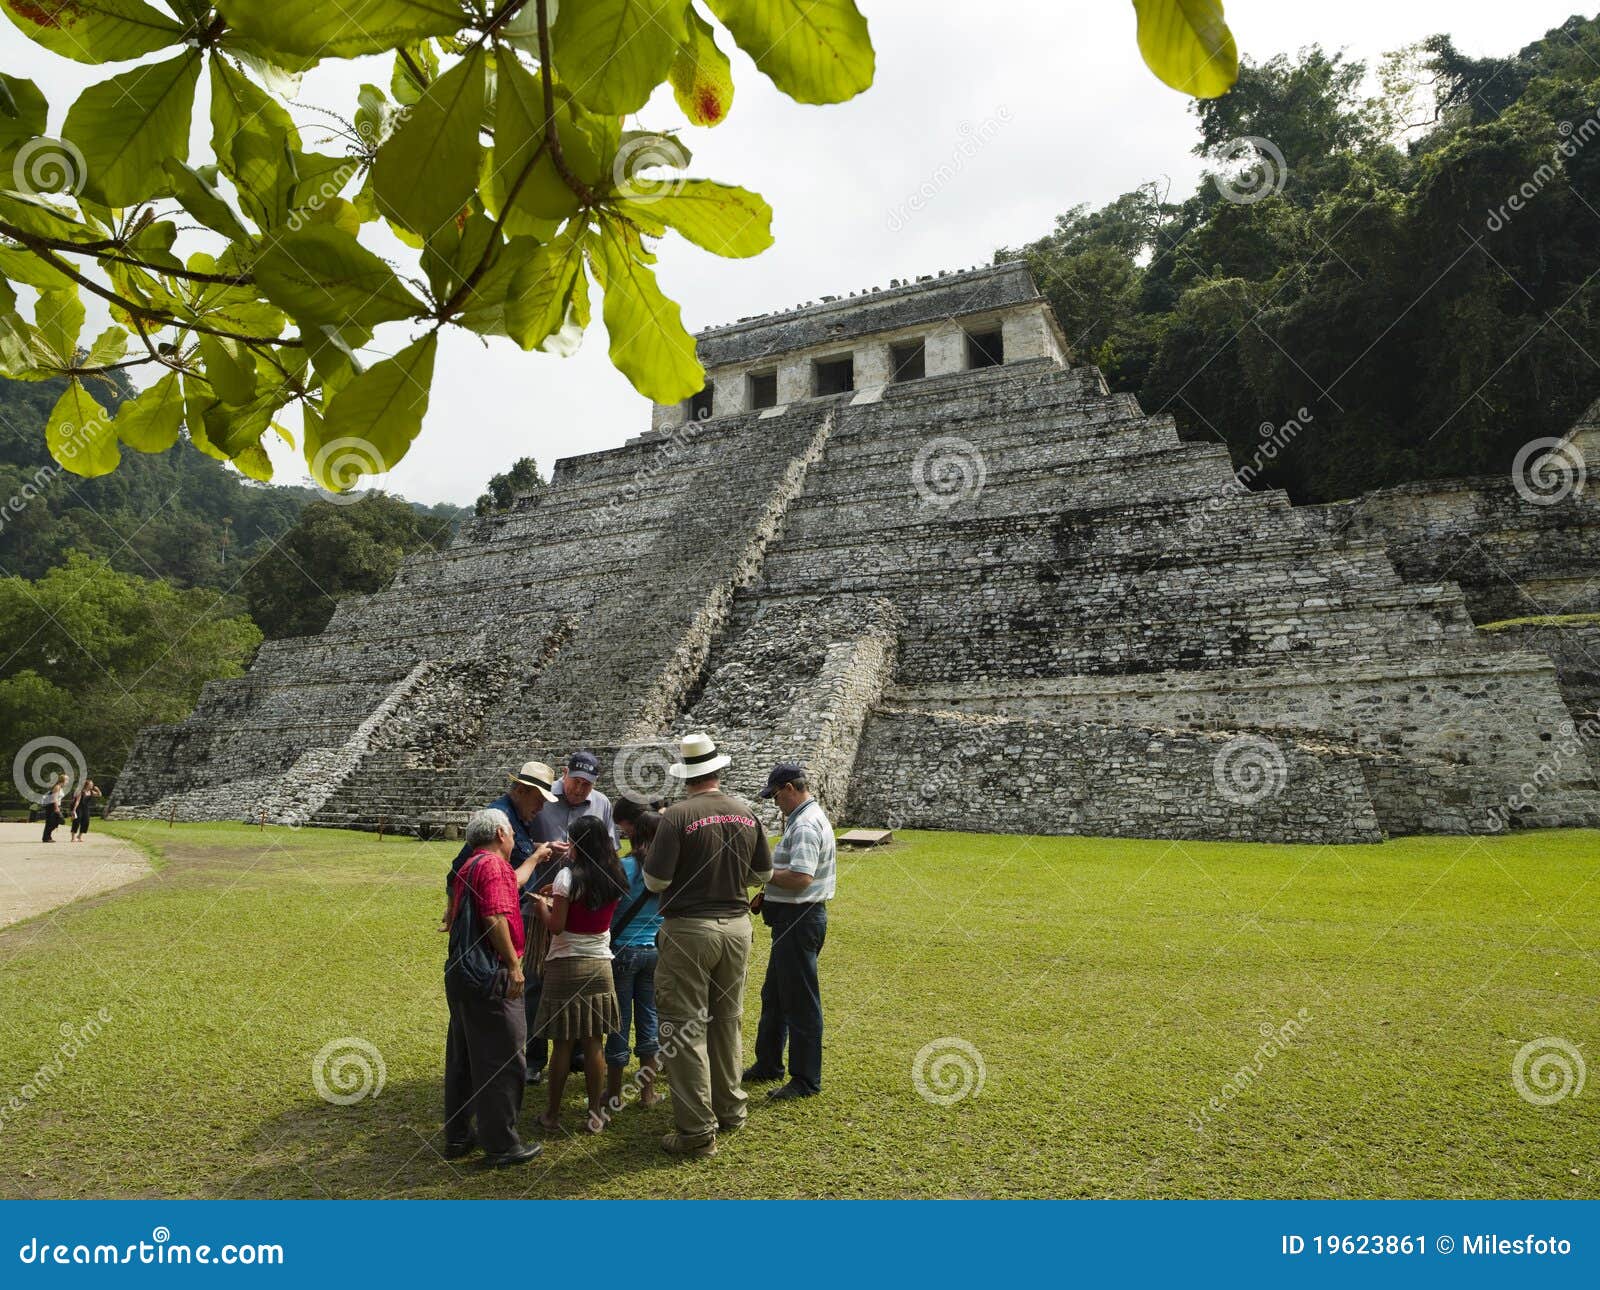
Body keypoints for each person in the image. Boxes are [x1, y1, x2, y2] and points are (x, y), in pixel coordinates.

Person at [643, 732, 772, 1158]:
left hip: (689, 929)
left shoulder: (677, 816)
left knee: (684, 1027)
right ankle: (730, 1108)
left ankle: (697, 1131)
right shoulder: (745, 812)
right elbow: (762, 875)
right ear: (717, 770)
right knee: (726, 1020)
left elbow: (656, 881)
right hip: (736, 927)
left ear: (686, 775)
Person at [444, 761, 568, 1085]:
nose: (541, 808)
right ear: (522, 791)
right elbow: (488, 896)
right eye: (538, 800)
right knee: (499, 1032)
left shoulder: (518, 821)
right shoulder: (500, 820)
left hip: (484, 947)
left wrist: (536, 854)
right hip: (490, 951)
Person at [442, 808, 542, 1167]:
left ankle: (458, 1135)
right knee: (504, 1058)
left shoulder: (471, 865)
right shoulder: (495, 866)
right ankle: (501, 1144)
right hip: (491, 973)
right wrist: (514, 966)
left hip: (463, 972)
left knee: (465, 1056)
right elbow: (494, 916)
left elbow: (510, 885)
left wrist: (535, 858)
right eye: (512, 832)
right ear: (501, 833)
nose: (514, 837)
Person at [528, 815, 627, 1135]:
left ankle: (552, 1115)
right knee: (594, 1042)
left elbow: (557, 926)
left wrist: (542, 907)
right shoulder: (615, 874)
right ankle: (595, 1113)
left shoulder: (567, 876)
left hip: (565, 964)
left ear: (578, 843)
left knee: (562, 1044)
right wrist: (558, 897)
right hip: (600, 965)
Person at [746, 764, 837, 1100]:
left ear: (789, 788)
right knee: (775, 995)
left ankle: (805, 1079)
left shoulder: (805, 825)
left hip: (799, 919)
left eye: (775, 796)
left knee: (800, 1002)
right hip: (795, 919)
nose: (775, 803)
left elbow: (801, 877)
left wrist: (762, 874)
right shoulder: (804, 818)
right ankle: (768, 1063)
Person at [605, 809, 664, 1112]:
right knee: (649, 1020)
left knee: (618, 1022)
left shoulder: (624, 867)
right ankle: (647, 1093)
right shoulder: (668, 870)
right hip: (653, 950)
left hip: (622, 950)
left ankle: (613, 1095)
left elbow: (608, 907)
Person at [532, 751, 619, 848]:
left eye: (586, 784)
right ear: (565, 773)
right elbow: (520, 842)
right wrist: (544, 847)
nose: (578, 790)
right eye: (576, 781)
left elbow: (611, 848)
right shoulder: (541, 795)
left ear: (595, 782)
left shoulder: (602, 803)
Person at [40, 773, 67, 843]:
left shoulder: (60, 787)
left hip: (56, 806)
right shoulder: (57, 787)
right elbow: (54, 798)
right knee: (51, 822)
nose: (68, 782)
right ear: (63, 780)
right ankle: (46, 838)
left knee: (54, 822)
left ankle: (47, 837)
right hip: (52, 806)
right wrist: (56, 808)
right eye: (67, 780)